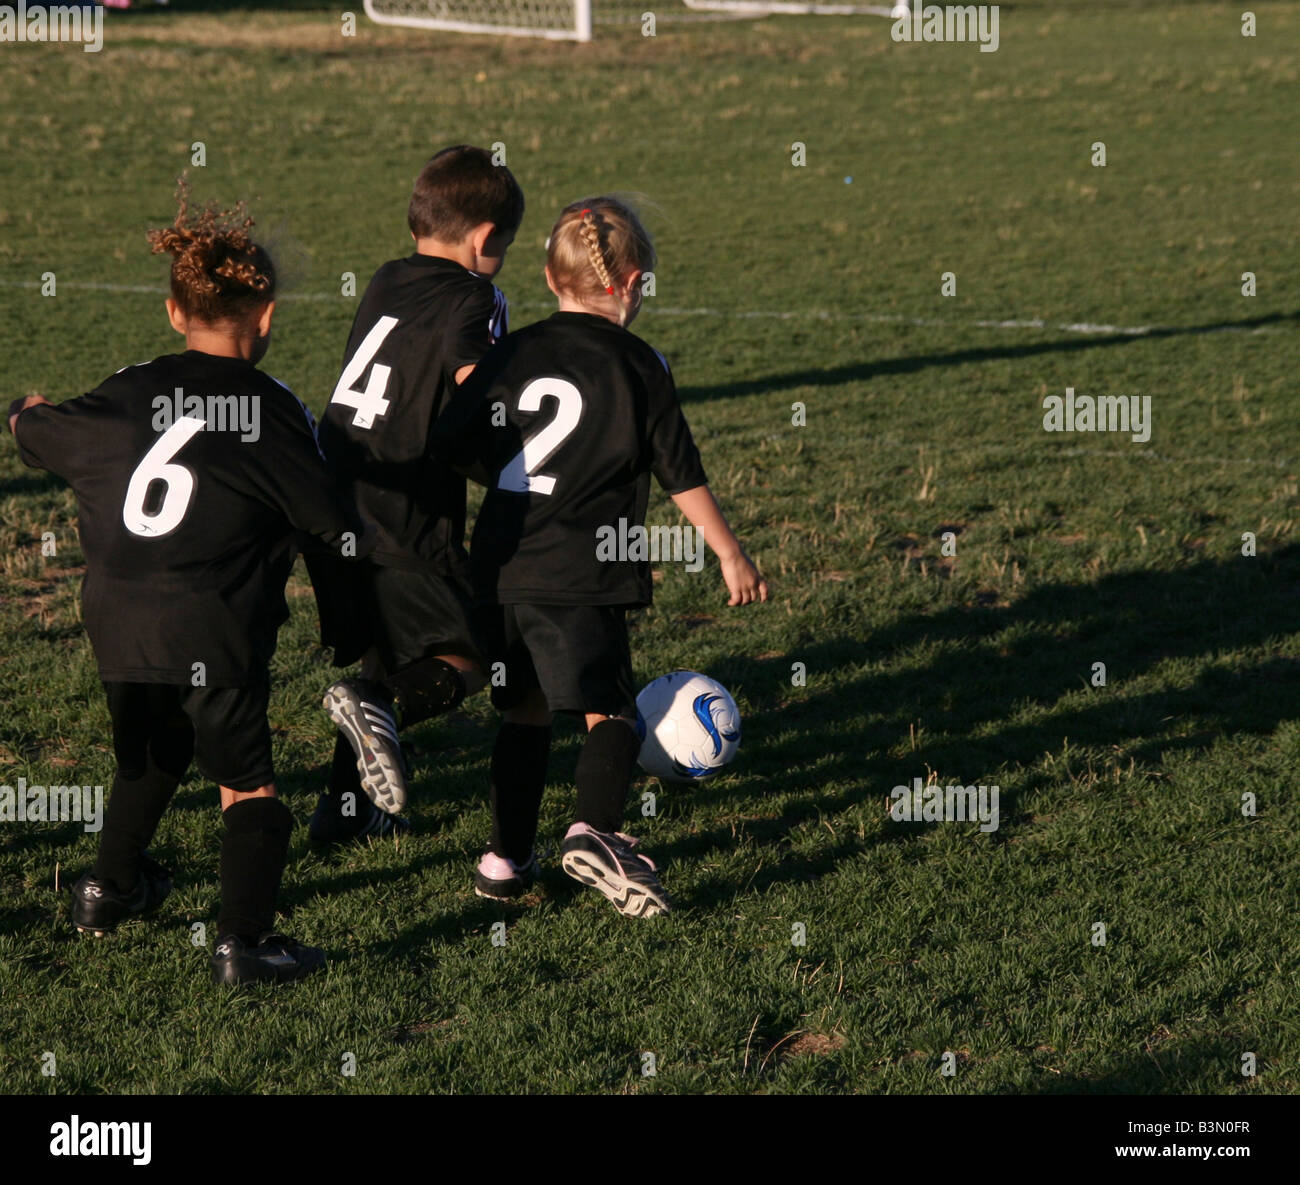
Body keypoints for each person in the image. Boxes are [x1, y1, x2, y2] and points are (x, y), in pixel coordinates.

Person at [8, 185, 367, 984]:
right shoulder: (272, 409)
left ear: (174, 313)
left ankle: (108, 888)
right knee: (248, 786)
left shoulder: (127, 388)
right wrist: (349, 622)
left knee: (151, 753)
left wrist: (22, 414)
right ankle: (246, 943)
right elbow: (329, 526)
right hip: (213, 627)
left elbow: (44, 431)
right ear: (266, 315)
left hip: (114, 622)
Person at [433, 198, 768, 917]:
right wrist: (730, 551)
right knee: (610, 712)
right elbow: (681, 472)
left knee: (522, 715)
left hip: (498, 567)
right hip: (583, 569)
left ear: (553, 280)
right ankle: (596, 829)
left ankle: (503, 859)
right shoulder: (642, 365)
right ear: (634, 282)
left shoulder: (512, 350)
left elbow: (455, 441)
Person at [310, 145, 524, 844]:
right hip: (406, 514)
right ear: (486, 239)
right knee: (471, 656)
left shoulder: (385, 278)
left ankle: (343, 818)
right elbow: (472, 386)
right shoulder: (477, 295)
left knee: (387, 659)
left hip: (334, 495)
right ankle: (380, 706)